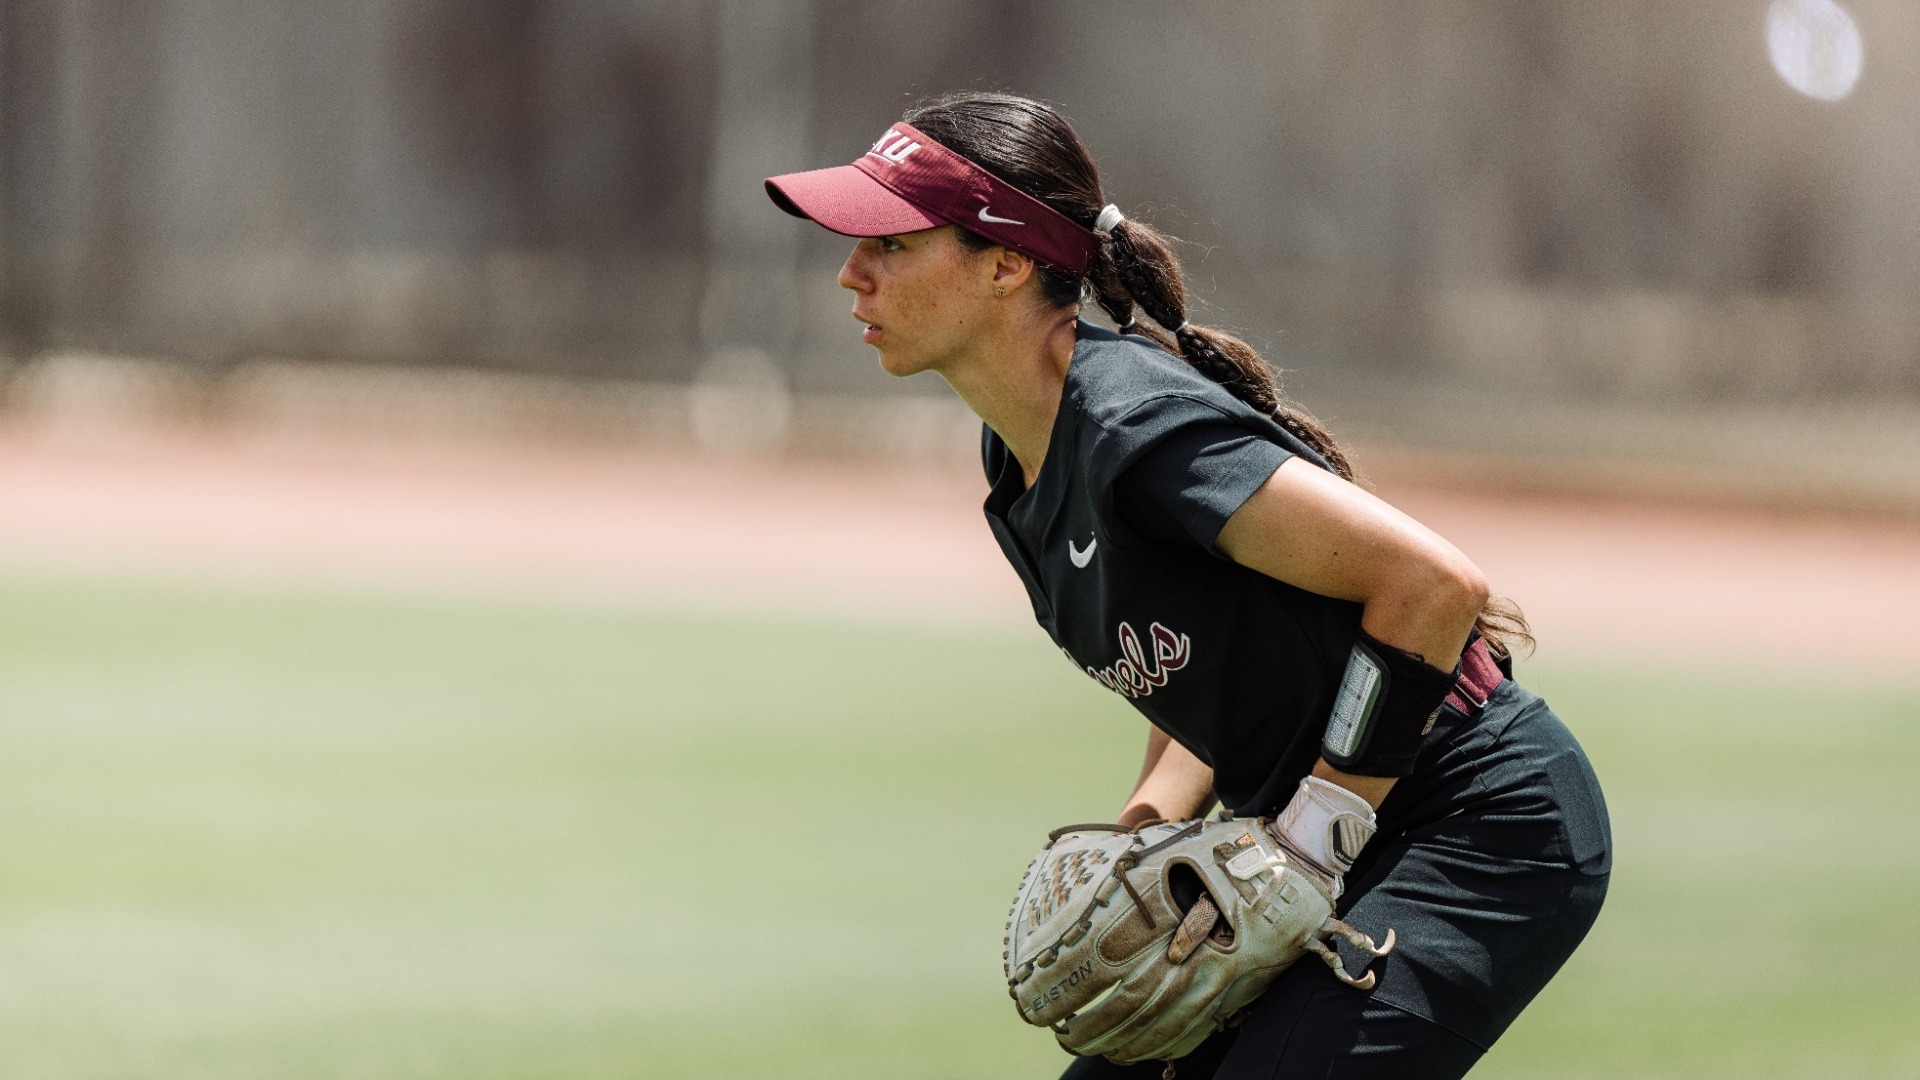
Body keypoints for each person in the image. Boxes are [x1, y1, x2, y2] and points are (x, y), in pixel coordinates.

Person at [764, 92, 1610, 1079]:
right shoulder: (1020, 461)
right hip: (1310, 833)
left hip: (1483, 825)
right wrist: (1143, 839)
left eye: (893, 246)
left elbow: (1432, 585)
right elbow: (1190, 665)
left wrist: (1309, 839)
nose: (851, 273)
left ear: (1004, 263)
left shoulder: (1134, 429)